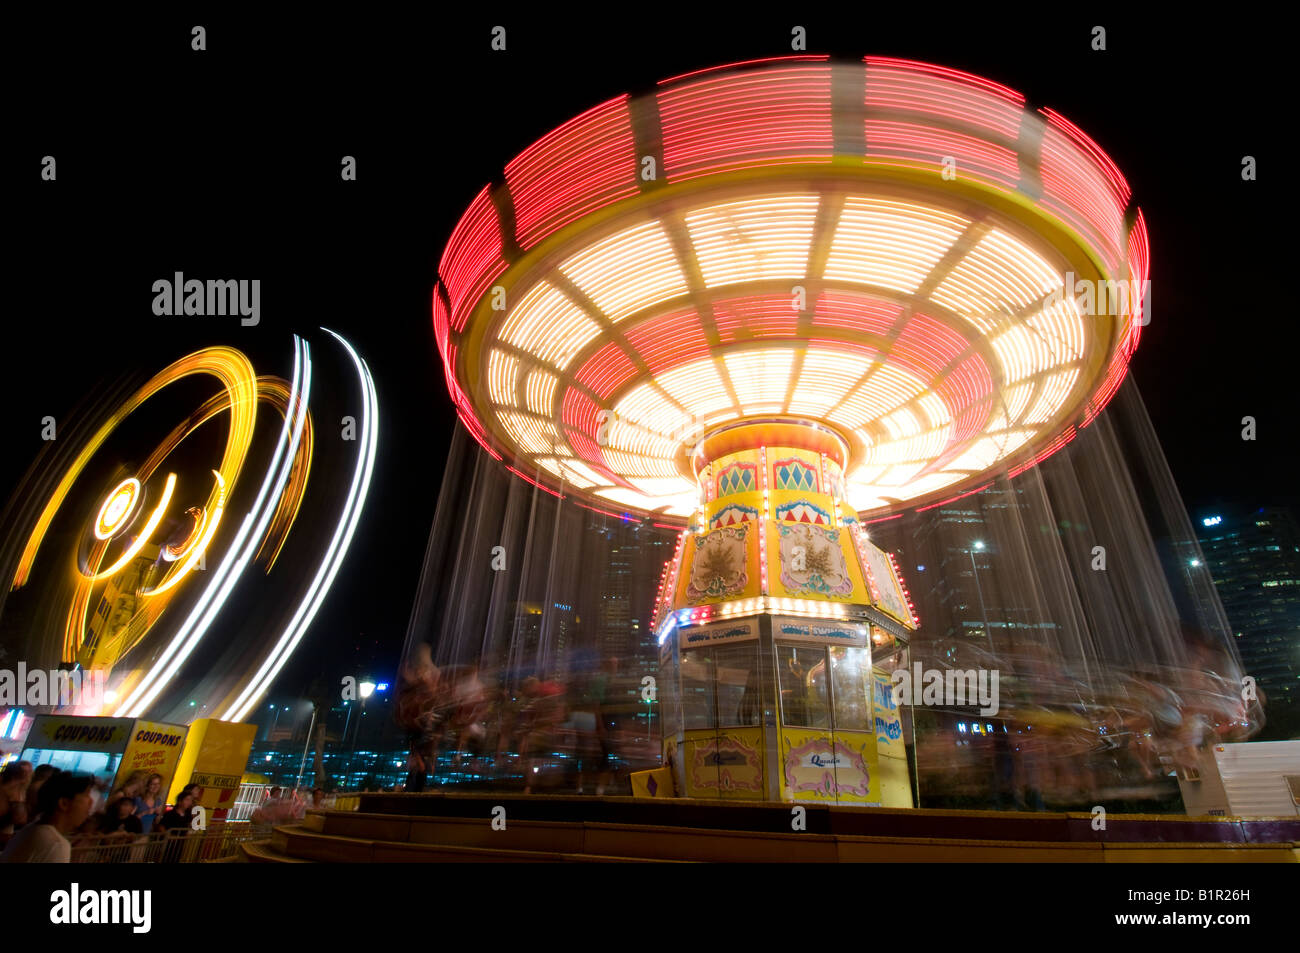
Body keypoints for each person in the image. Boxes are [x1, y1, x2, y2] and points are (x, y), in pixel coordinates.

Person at [0, 771, 94, 863]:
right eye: (86, 795)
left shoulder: (32, 829)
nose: (91, 802)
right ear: (64, 803)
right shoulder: (56, 844)